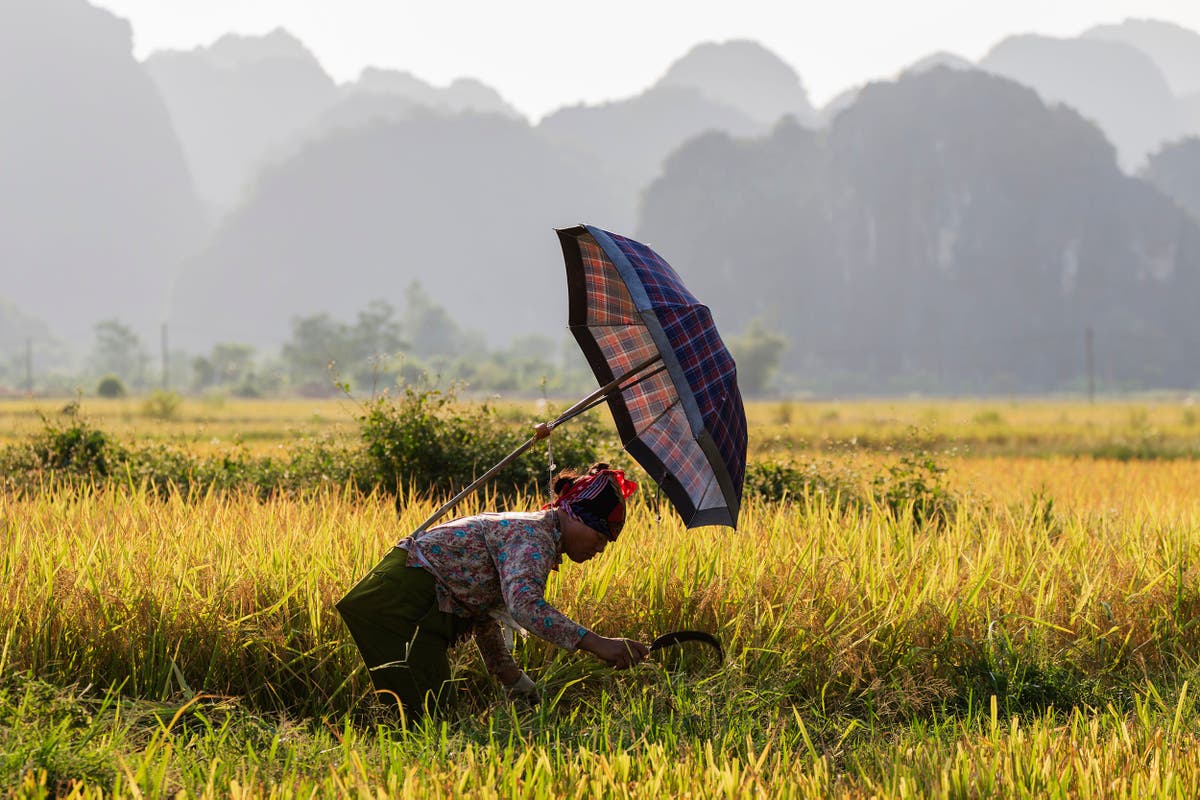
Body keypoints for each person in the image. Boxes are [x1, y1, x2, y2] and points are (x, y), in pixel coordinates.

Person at [336, 456, 650, 720]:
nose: (600, 549)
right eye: (599, 537)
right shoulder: (533, 537)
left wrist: (510, 676)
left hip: (402, 601)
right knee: (429, 718)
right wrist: (598, 643)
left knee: (428, 713)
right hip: (400, 602)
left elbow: (481, 609)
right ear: (574, 516)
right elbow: (524, 606)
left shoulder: (535, 535)